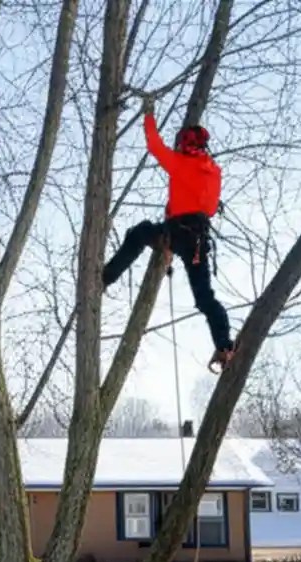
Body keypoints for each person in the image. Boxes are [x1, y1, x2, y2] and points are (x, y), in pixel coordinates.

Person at [102, 95, 235, 372]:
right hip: (198, 242)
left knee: (138, 234)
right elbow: (207, 207)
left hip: (176, 233)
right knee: (205, 297)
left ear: (185, 146)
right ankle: (224, 345)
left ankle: (105, 277)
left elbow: (154, 145)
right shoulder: (214, 172)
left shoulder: (180, 163)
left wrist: (149, 114)